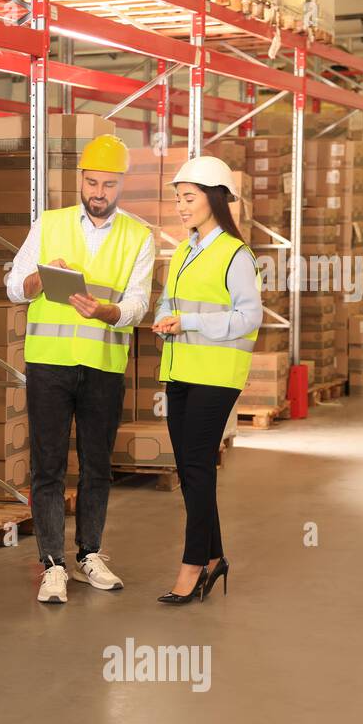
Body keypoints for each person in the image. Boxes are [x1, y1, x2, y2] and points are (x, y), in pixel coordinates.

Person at [6, 134, 154, 605]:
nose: (99, 192)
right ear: (81, 180)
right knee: (48, 466)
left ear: (121, 186)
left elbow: (138, 304)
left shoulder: (139, 236)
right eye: (92, 182)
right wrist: (40, 276)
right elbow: (15, 287)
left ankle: (90, 554)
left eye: (109, 185)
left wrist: (106, 312)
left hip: (103, 367)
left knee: (96, 466)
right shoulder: (48, 225)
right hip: (49, 365)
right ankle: (52, 564)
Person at [150, 155, 263, 605]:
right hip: (181, 370)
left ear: (214, 199)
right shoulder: (183, 249)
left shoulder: (237, 255)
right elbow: (167, 301)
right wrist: (165, 319)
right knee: (190, 469)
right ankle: (215, 557)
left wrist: (190, 322)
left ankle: (193, 563)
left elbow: (249, 317)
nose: (180, 206)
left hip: (216, 375)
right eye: (177, 198)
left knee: (196, 468)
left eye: (188, 198)